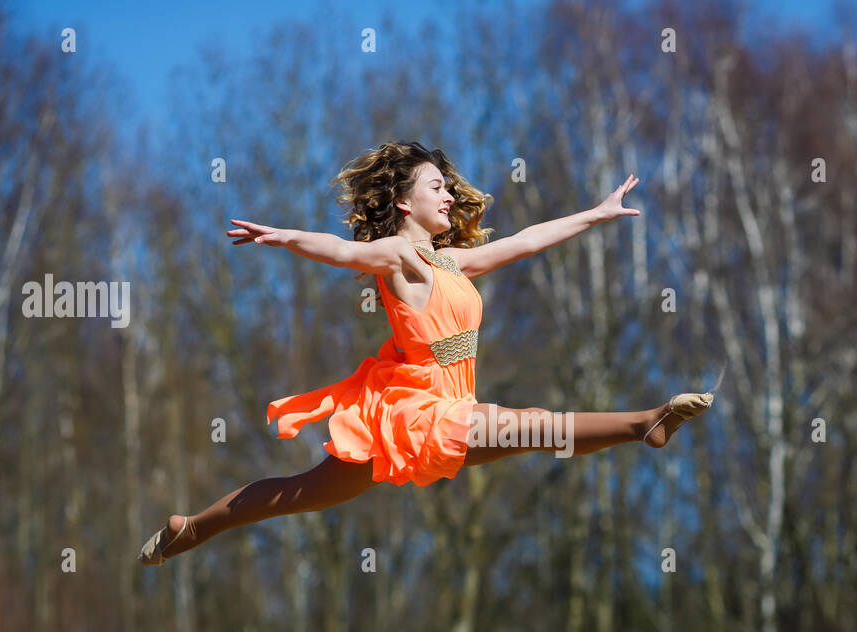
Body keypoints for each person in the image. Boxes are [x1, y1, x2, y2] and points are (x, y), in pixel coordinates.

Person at [139, 141, 718, 565]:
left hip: (441, 404)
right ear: (402, 199)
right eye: (435, 186)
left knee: (301, 492)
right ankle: (647, 423)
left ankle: (189, 528)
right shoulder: (398, 256)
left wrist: (596, 213)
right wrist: (285, 237)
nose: (448, 195)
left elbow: (523, 242)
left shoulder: (449, 263)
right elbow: (340, 251)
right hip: (417, 410)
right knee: (534, 429)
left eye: (446, 186)